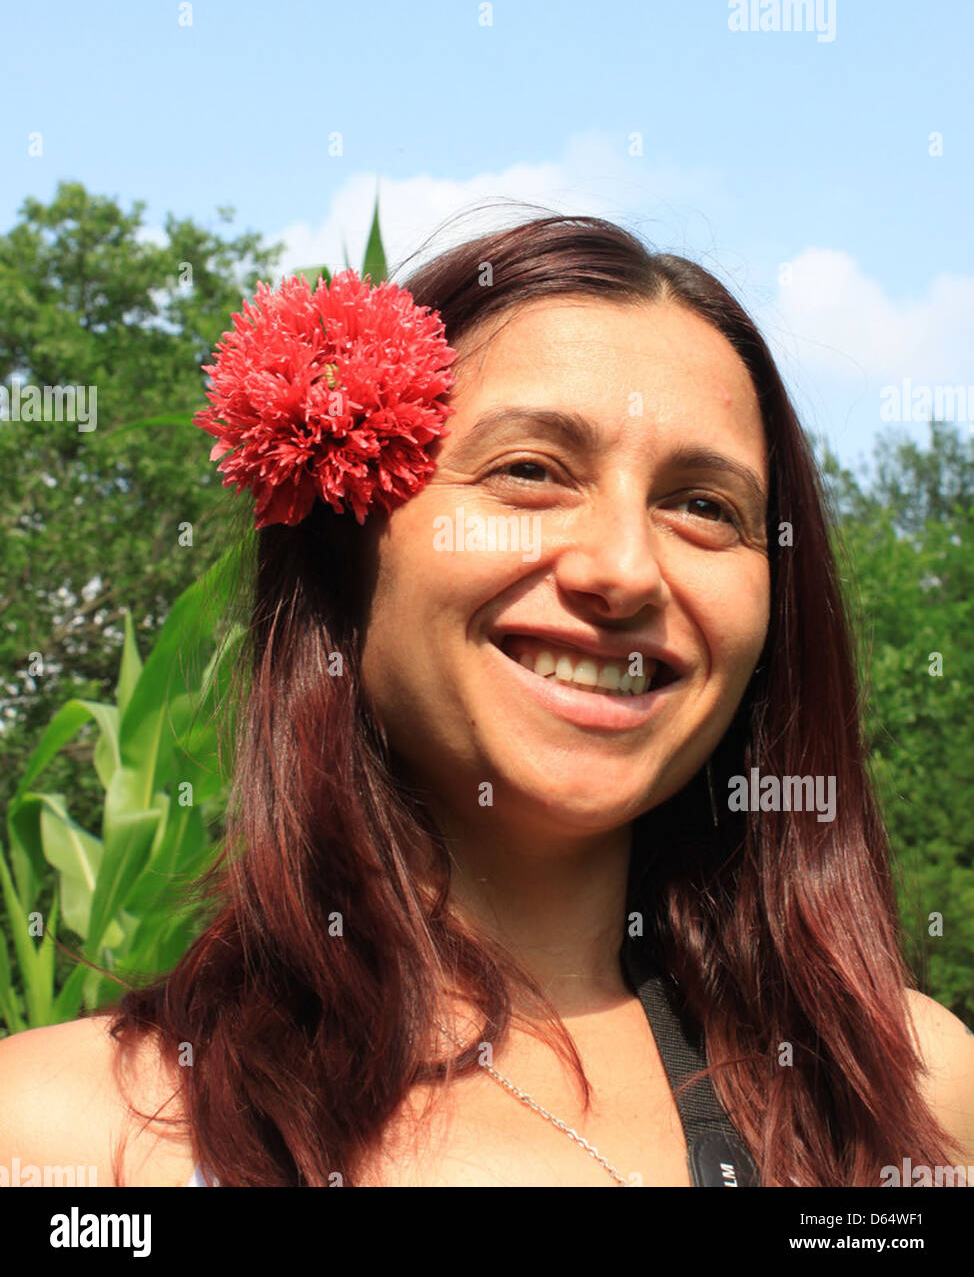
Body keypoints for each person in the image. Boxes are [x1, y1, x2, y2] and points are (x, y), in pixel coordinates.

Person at [1, 209, 972, 1188]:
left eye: (701, 506)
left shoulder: (906, 1100)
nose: (625, 570)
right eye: (528, 471)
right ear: (347, 536)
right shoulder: (71, 1140)